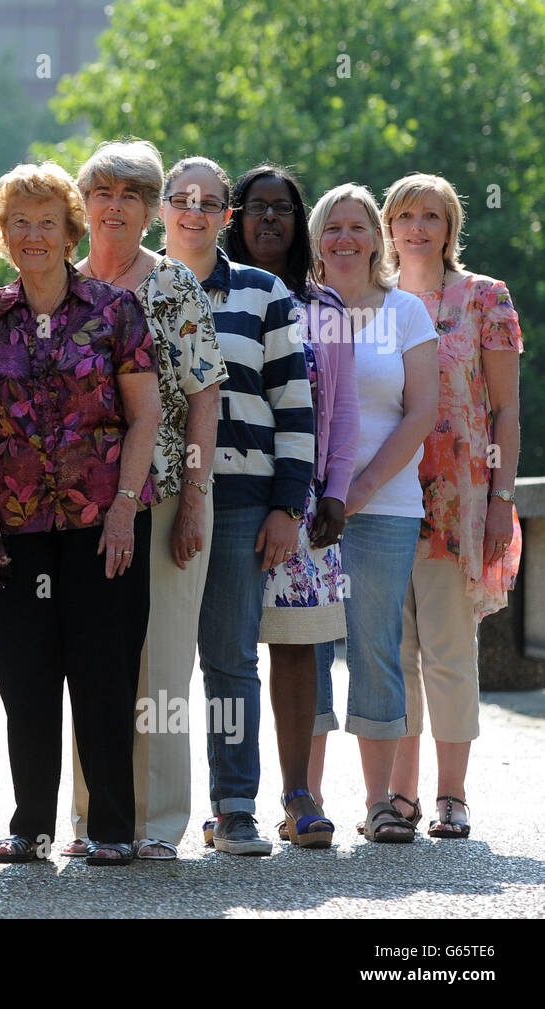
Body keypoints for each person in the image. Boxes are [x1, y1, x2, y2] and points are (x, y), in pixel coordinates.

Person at [0, 161, 161, 865]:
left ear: (69, 229)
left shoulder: (114, 310)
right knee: (25, 680)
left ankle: (112, 827)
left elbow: (145, 416)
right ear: (2, 232)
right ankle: (30, 825)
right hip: (16, 525)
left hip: (100, 526)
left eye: (46, 221)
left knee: (104, 677)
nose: (32, 234)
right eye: (18, 221)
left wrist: (123, 508)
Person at [60, 140, 225, 862]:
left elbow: (204, 397)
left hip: (163, 501)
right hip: (77, 511)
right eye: (103, 191)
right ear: (84, 203)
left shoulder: (173, 287)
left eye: (132, 193)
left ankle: (156, 823)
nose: (116, 205)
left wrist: (194, 497)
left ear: (148, 207)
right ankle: (94, 818)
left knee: (159, 666)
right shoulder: (59, 287)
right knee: (90, 663)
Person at [162, 156, 314, 856]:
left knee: (229, 658)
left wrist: (288, 505)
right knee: (146, 663)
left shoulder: (265, 294)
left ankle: (235, 806)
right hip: (150, 497)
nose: (194, 210)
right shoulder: (133, 287)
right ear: (163, 206)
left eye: (210, 201)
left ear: (228, 214)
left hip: (244, 497)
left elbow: (294, 404)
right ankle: (139, 813)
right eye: (180, 197)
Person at [381, 173, 522, 839]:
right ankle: (398, 798)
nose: (416, 226)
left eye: (430, 215)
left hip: (459, 499)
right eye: (404, 214)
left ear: (449, 227)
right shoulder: (369, 301)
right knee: (393, 649)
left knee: (447, 650)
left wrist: (501, 498)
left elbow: (507, 409)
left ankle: (453, 796)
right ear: (388, 226)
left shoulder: (484, 298)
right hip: (383, 495)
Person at [225, 163, 359, 848]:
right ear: (234, 217)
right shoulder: (203, 295)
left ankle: (299, 792)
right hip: (220, 495)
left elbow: (340, 411)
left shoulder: (326, 310)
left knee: (298, 644)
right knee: (223, 653)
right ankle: (229, 800)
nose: (270, 219)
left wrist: (333, 491)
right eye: (256, 207)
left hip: (300, 503)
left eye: (283, 208)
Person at [306, 183, 438, 842]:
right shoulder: (302, 310)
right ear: (317, 239)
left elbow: (421, 412)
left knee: (375, 649)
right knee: (306, 652)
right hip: (303, 513)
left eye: (358, 226)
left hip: (384, 507)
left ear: (376, 239)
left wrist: (353, 495)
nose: (345, 238)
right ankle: (306, 802)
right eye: (333, 227)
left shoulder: (405, 311)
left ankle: (383, 801)